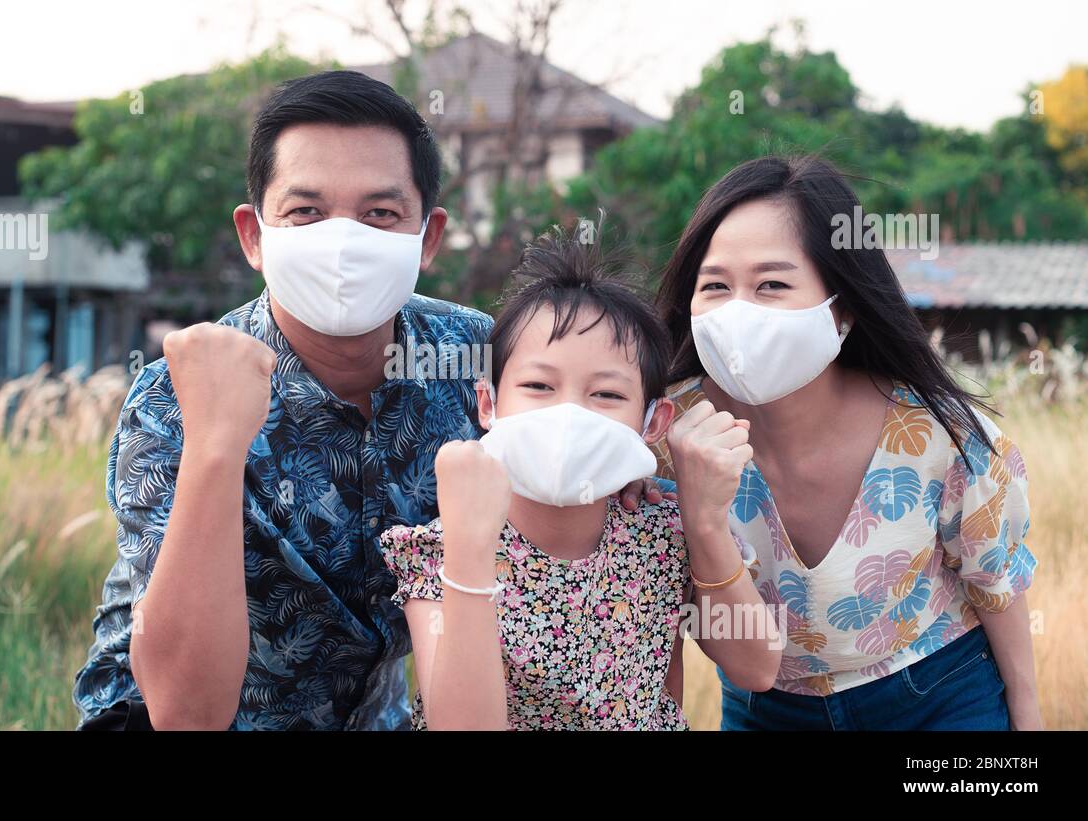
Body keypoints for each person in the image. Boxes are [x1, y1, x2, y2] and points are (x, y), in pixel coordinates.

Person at [73, 70, 664, 730]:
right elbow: (184, 713)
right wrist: (215, 444)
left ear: (428, 237)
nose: (343, 241)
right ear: (254, 236)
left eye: (380, 213)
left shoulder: (481, 361)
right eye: (306, 212)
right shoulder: (175, 396)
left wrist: (631, 470)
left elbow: (606, 405)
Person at [651, 155, 1041, 730]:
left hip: (937, 693)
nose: (738, 311)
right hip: (766, 707)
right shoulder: (663, 435)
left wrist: (1027, 717)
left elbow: (995, 585)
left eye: (771, 284)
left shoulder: (942, 436)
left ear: (844, 311)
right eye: (715, 286)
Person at [378, 222, 781, 729]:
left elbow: (756, 667)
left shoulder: (663, 531)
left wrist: (704, 522)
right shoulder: (442, 551)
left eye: (607, 395)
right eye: (539, 385)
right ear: (489, 403)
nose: (569, 414)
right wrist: (469, 553)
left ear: (653, 422)